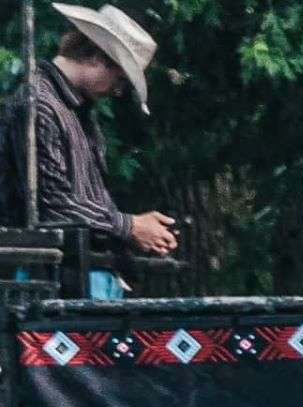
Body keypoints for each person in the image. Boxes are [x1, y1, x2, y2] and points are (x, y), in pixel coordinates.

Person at [0, 4, 174, 296]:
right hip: (53, 277)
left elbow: (86, 201)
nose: (118, 91)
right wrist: (129, 226)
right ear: (97, 57)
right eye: (119, 79)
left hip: (87, 272)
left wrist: (133, 232)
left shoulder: (80, 112)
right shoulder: (39, 104)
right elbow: (54, 206)